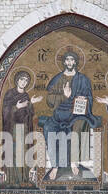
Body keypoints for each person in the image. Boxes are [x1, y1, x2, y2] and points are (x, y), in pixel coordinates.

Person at [39, 49, 99, 181]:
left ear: (76, 62)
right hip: (59, 113)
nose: (69, 62)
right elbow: (49, 100)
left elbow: (89, 97)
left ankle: (73, 162)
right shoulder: (58, 79)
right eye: (67, 60)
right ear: (64, 62)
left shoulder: (83, 79)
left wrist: (83, 100)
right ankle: (55, 165)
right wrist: (63, 96)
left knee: (79, 124)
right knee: (49, 127)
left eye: (72, 60)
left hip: (76, 113)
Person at [0, 70, 41, 186]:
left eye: (26, 80)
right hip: (13, 128)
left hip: (24, 128)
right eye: (22, 79)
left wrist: (31, 103)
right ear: (17, 80)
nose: (24, 82)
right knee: (13, 153)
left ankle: (23, 179)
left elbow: (29, 114)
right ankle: (12, 180)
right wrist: (16, 107)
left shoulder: (26, 95)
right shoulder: (10, 94)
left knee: (23, 153)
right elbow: (5, 112)